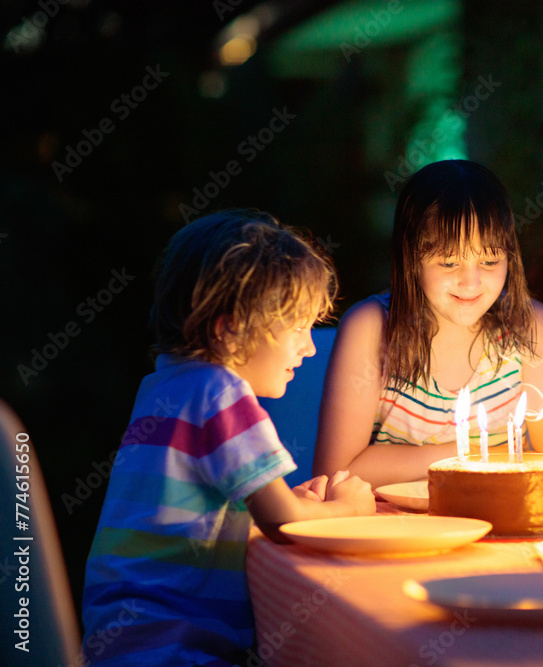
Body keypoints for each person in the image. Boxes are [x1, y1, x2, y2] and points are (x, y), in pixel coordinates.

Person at [81, 210, 376, 667]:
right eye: (297, 326)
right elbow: (285, 524)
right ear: (230, 326)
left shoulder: (162, 386)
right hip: (177, 650)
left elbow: (206, 511)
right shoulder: (221, 393)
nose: (310, 346)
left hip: (122, 643)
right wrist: (347, 510)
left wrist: (293, 503)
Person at [314, 159, 543, 488]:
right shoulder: (372, 329)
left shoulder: (530, 329)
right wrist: (470, 452)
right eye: (449, 262)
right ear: (410, 259)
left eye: (489, 260)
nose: (470, 282)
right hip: (393, 533)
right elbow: (335, 476)